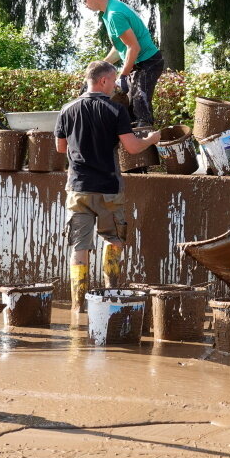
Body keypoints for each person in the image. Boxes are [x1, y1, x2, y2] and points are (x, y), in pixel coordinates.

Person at [55, 60, 161, 313]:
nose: (116, 86)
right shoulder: (115, 111)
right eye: (113, 81)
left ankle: (78, 307)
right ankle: (110, 295)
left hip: (78, 188)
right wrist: (151, 139)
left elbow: (60, 148)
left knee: (79, 248)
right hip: (109, 189)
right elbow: (133, 148)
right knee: (113, 241)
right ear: (102, 80)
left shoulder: (67, 108)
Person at [78, 0, 164, 127]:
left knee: (139, 106)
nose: (85, 5)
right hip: (139, 62)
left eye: (84, 0)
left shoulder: (114, 14)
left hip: (148, 62)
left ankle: (144, 144)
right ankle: (132, 146)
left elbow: (134, 47)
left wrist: (123, 75)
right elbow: (120, 48)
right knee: (128, 109)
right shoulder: (110, 10)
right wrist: (97, 68)